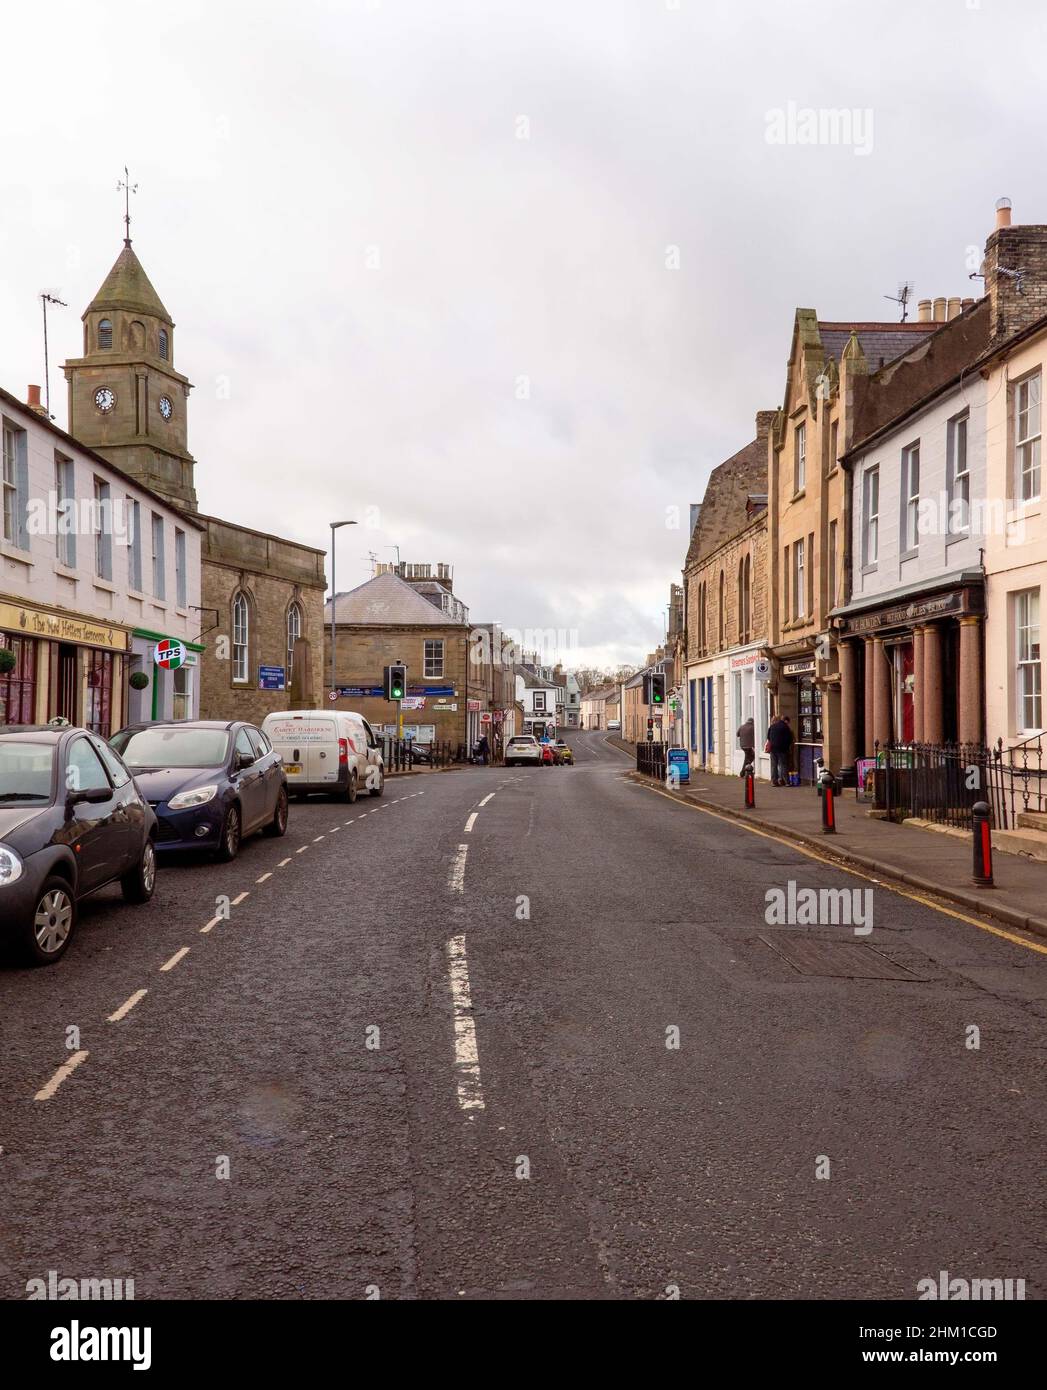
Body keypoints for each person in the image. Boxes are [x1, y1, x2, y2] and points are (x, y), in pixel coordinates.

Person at [766, 713, 794, 786]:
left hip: (773, 749)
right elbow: (789, 739)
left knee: (774, 765)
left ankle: (774, 781)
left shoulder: (772, 726)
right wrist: (787, 747)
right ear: (786, 721)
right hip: (782, 749)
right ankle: (786, 781)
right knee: (783, 765)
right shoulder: (785, 727)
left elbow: (768, 737)